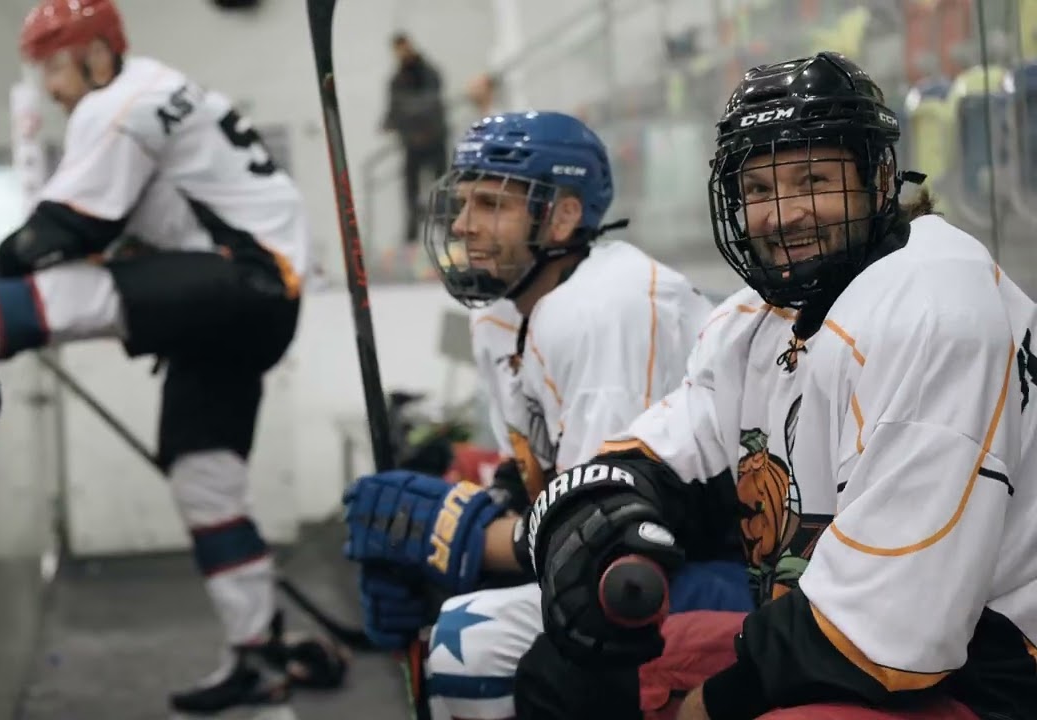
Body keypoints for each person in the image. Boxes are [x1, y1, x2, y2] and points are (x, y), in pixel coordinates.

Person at [518, 51, 1037, 719]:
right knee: (570, 672)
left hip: (984, 675)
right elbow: (665, 450)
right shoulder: (757, 318)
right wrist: (600, 508)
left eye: (812, 180)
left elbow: (892, 636)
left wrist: (707, 704)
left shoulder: (936, 312)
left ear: (879, 179)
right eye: (759, 190)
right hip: (848, 637)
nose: (783, 215)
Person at [0, 0, 344, 713]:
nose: (51, 88)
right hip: (245, 303)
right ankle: (258, 653)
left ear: (98, 53)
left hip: (244, 282)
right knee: (206, 480)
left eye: (56, 67)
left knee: (71, 294)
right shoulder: (157, 85)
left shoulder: (119, 105)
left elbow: (63, 229)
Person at [343, 111, 750, 720]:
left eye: (491, 204)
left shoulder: (606, 309)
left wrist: (451, 535)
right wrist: (429, 551)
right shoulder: (500, 312)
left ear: (562, 216)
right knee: (447, 603)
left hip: (720, 566)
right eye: (462, 203)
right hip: (631, 549)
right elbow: (537, 475)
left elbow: (602, 538)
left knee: (468, 644)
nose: (463, 224)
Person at [384, 33, 449, 244]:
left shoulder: (427, 72)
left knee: (441, 185)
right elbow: (394, 106)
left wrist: (405, 113)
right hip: (412, 142)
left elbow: (430, 101)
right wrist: (390, 121)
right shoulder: (398, 78)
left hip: (433, 138)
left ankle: (445, 225)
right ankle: (412, 232)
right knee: (411, 189)